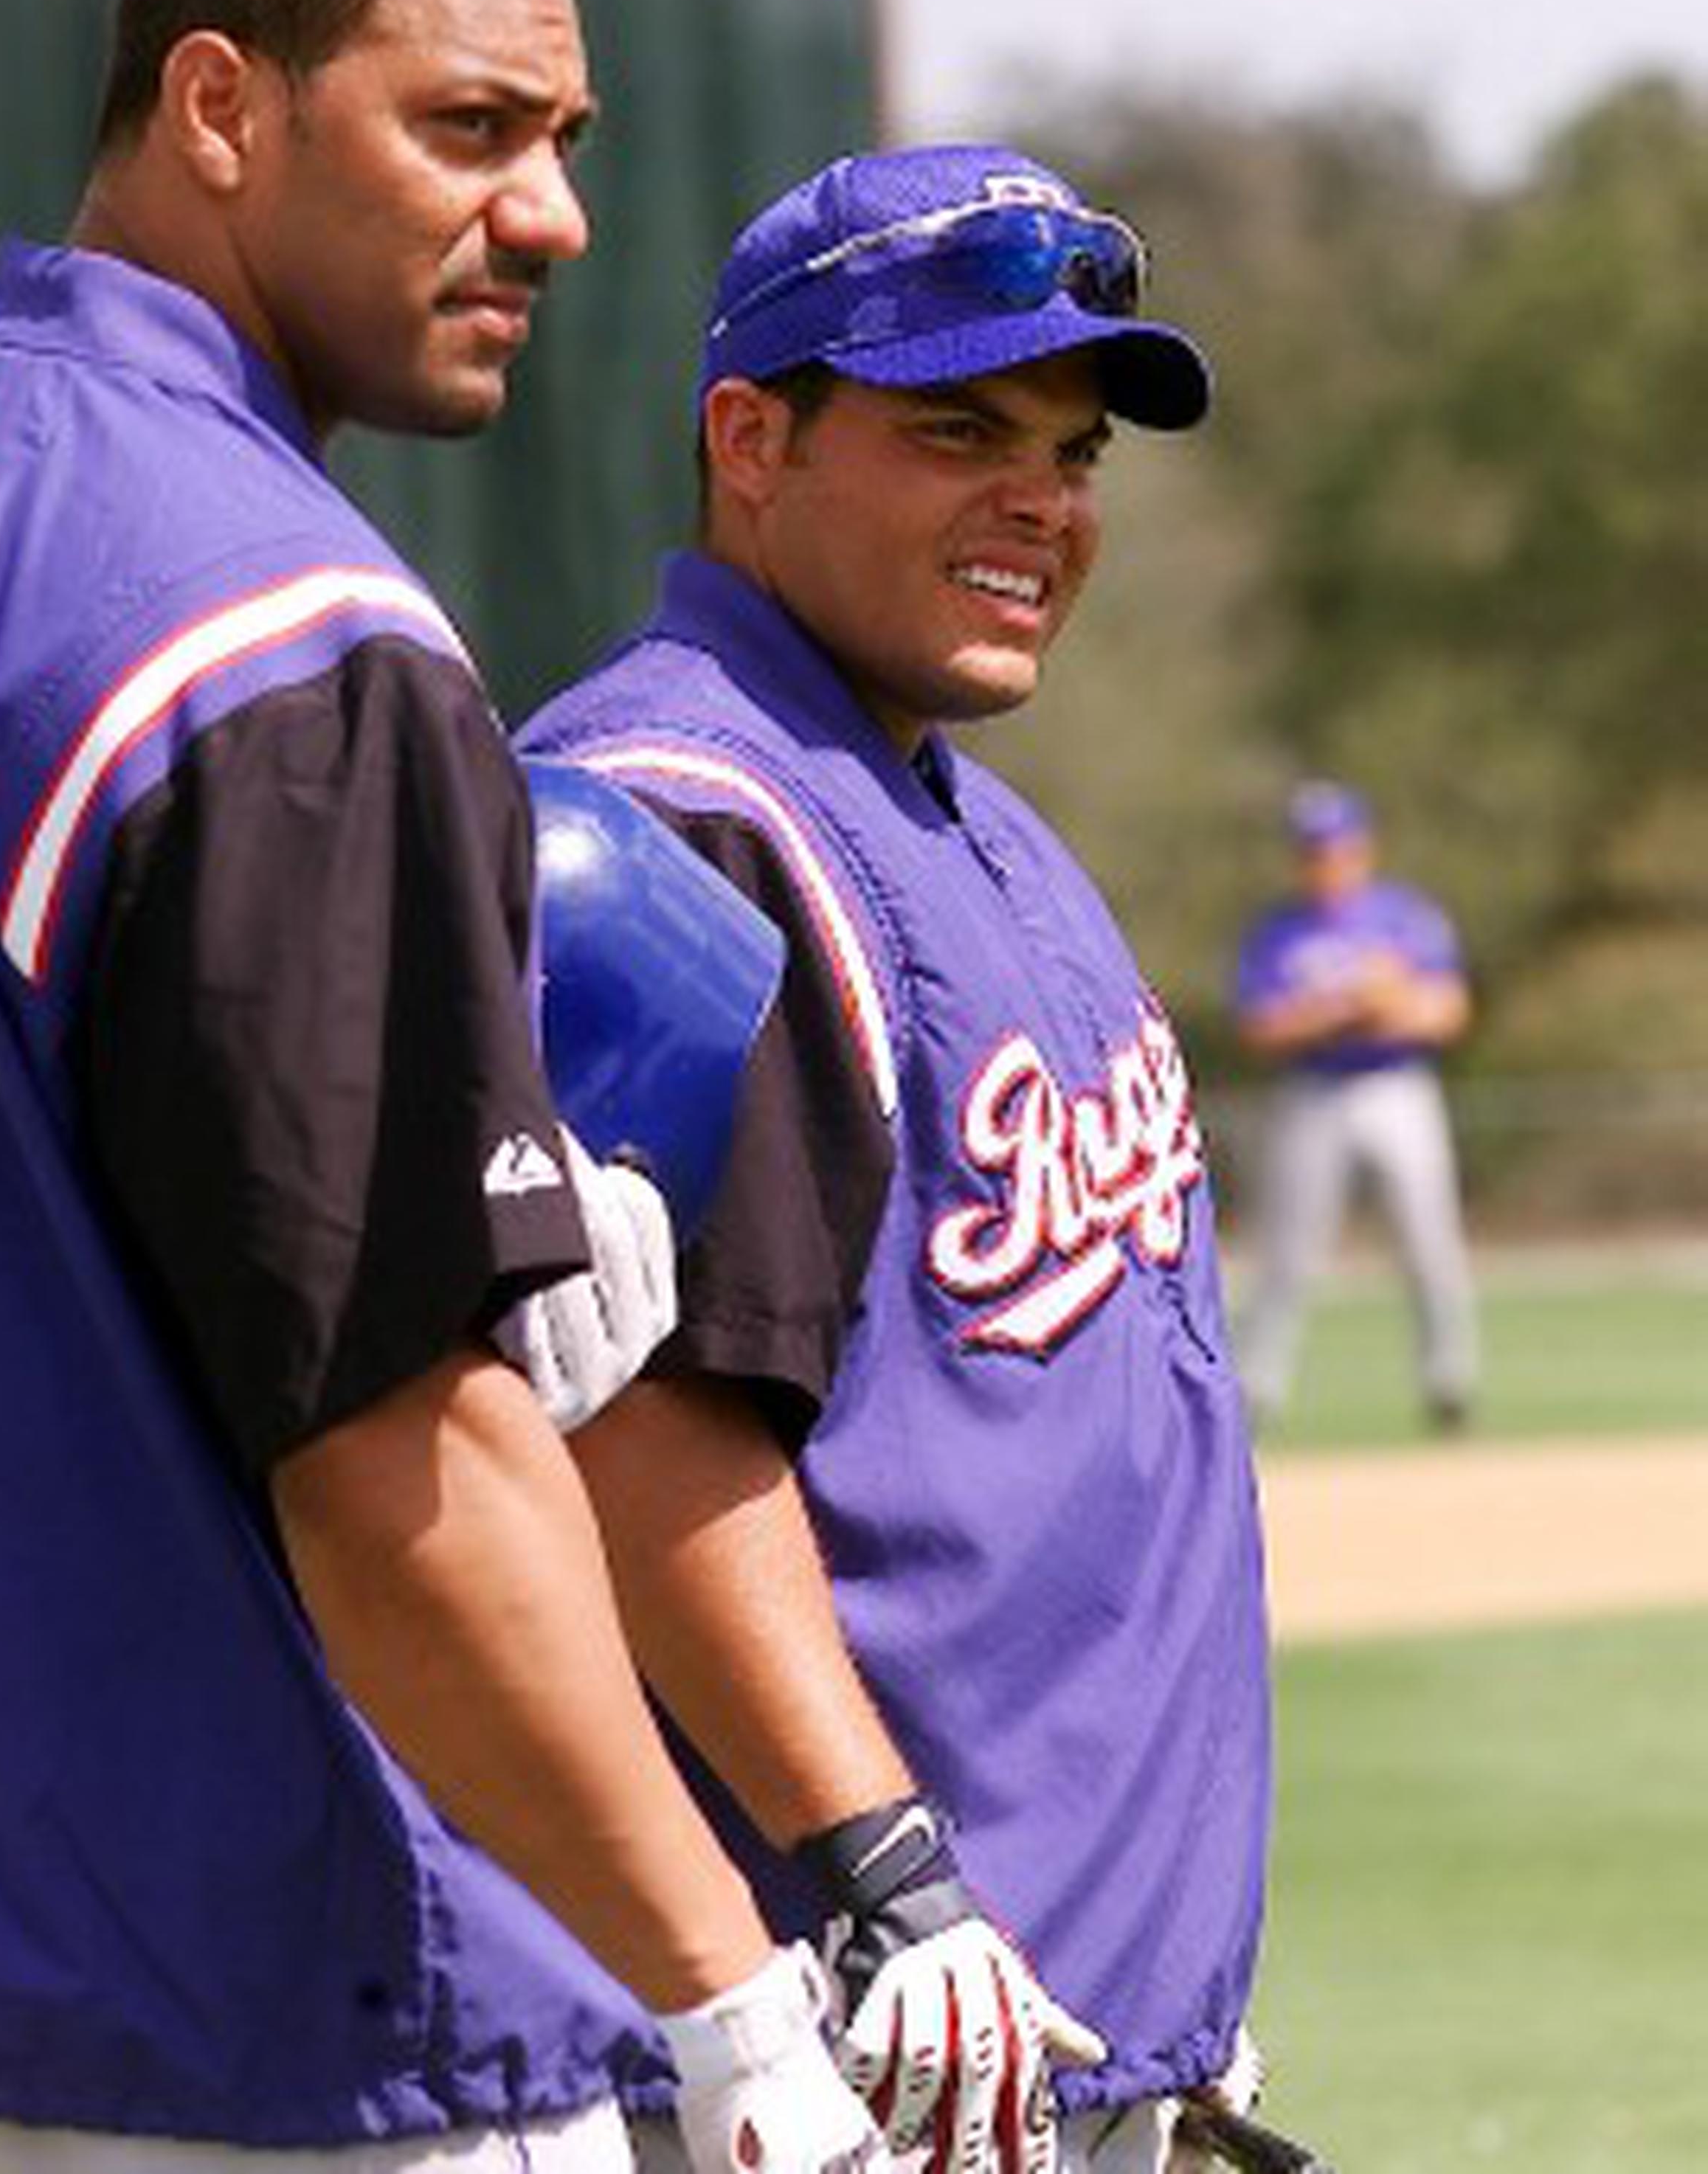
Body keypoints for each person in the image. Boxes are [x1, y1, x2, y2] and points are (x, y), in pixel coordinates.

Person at [0, 0, 883, 2173]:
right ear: (222, 104)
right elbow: (397, 1457)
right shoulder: (275, 629)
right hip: (253, 1996)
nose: (555, 214)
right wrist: (731, 2001)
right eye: (469, 127)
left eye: (566, 140)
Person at [521, 143, 1274, 2173]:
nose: (1042, 499)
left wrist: (1163, 1955)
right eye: (958, 429)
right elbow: (626, 1420)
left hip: (1036, 2020)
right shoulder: (689, 816)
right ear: (750, 440)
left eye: (1072, 450)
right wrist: (885, 1875)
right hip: (851, 2024)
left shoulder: (953, 811)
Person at [1229, 778, 1480, 1430]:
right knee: (1287, 1253)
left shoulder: (1404, 916)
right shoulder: (1278, 931)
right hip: (1313, 1093)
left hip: (1397, 1087)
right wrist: (1341, 1010)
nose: (1326, 861)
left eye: (1336, 847)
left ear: (1363, 847)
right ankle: (1256, 1388)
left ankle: (1449, 1380)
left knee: (1431, 1243)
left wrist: (1388, 1005)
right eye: (1312, 850)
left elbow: (1447, 1011)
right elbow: (1259, 1029)